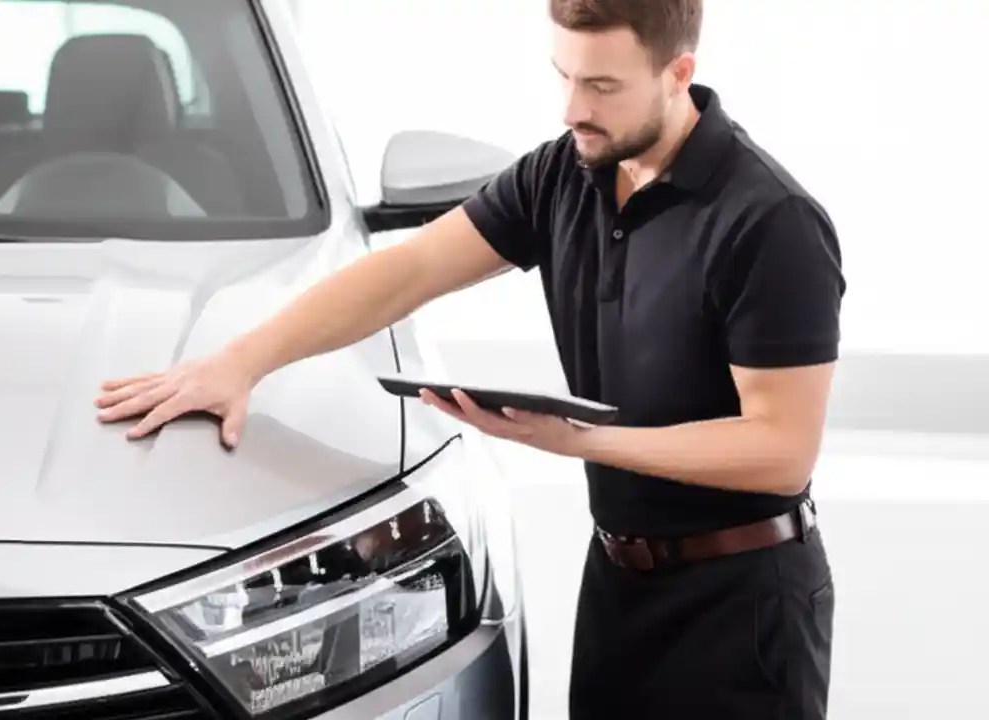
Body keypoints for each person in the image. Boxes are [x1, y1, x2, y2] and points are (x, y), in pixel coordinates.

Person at [95, 0, 845, 717]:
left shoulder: (770, 221)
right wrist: (241, 363)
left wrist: (580, 441)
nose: (572, 108)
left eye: (602, 86)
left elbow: (780, 452)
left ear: (678, 74)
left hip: (743, 606)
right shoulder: (561, 175)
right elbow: (411, 269)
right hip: (618, 586)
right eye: (564, 76)